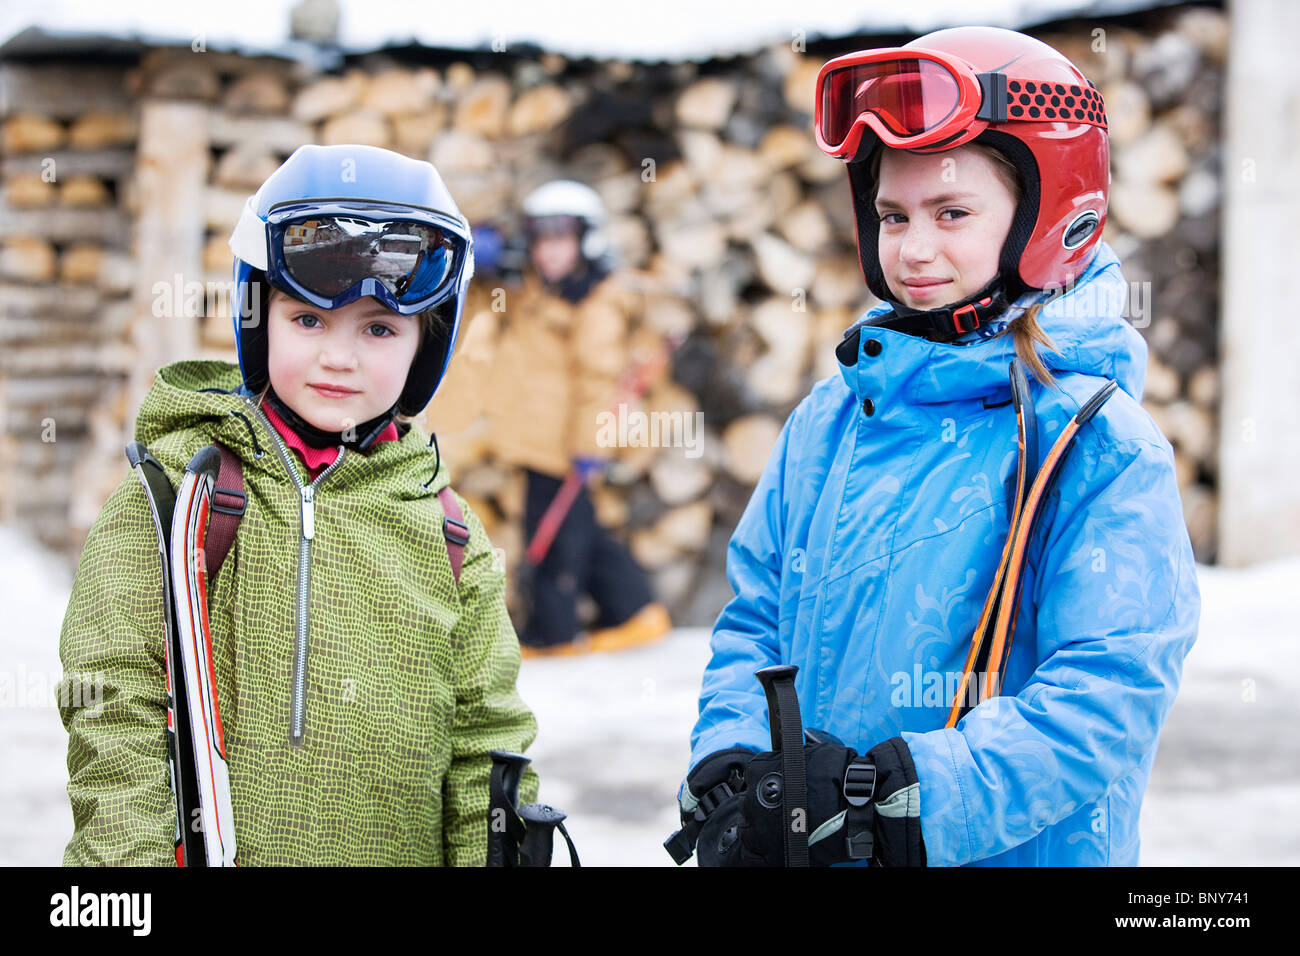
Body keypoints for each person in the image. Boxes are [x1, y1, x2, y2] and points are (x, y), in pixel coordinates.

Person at [674, 26, 1200, 867]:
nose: (915, 249)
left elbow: (1108, 693)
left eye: (952, 213)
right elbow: (757, 619)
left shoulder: (1098, 445)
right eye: (893, 215)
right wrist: (736, 761)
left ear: (1051, 214)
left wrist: (906, 804)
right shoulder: (832, 418)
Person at [57, 144, 538, 865]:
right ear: (259, 320)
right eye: (308, 321)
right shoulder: (173, 498)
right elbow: (110, 706)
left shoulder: (450, 535)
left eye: (378, 329)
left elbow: (487, 747)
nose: (338, 357)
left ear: (423, 348)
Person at [475, 180, 671, 657]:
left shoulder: (596, 302)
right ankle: (635, 611)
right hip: (541, 439)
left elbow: (597, 381)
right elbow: (499, 295)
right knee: (582, 529)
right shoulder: (545, 292)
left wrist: (591, 447)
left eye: (561, 239)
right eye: (541, 240)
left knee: (554, 538)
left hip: (566, 445)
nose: (549, 252)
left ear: (588, 240)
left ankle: (554, 630)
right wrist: (484, 254)